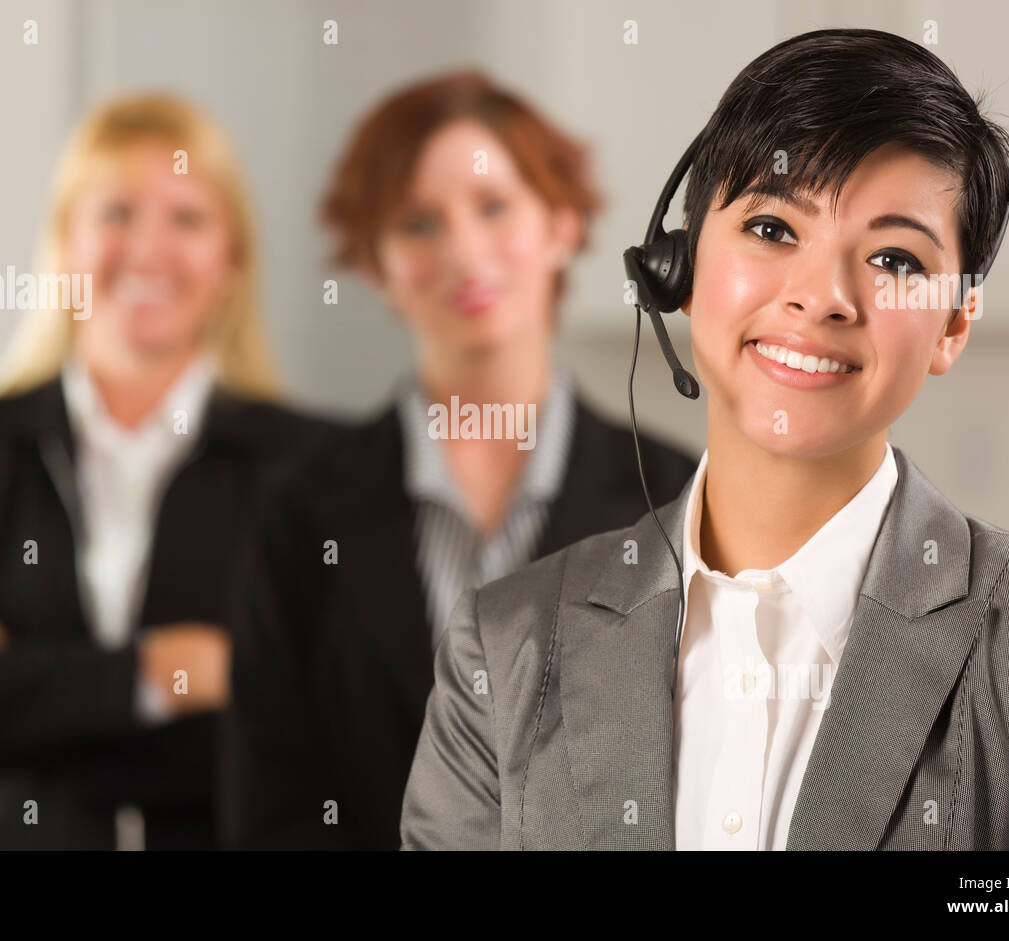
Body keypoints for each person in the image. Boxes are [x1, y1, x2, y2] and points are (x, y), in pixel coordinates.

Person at [400, 29, 1009, 850]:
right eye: (774, 229)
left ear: (953, 325)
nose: (822, 297)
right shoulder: (503, 645)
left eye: (893, 258)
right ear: (676, 266)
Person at [222, 70, 697, 849]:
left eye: (493, 207)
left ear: (564, 225)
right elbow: (267, 811)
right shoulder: (297, 508)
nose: (464, 252)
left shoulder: (671, 491)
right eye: (417, 223)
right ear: (372, 263)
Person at [0, 92, 341, 850]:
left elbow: (327, 723)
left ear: (232, 263)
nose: (148, 249)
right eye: (116, 212)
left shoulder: (310, 464)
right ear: (65, 243)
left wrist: (17, 673)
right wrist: (178, 668)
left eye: (187, 218)